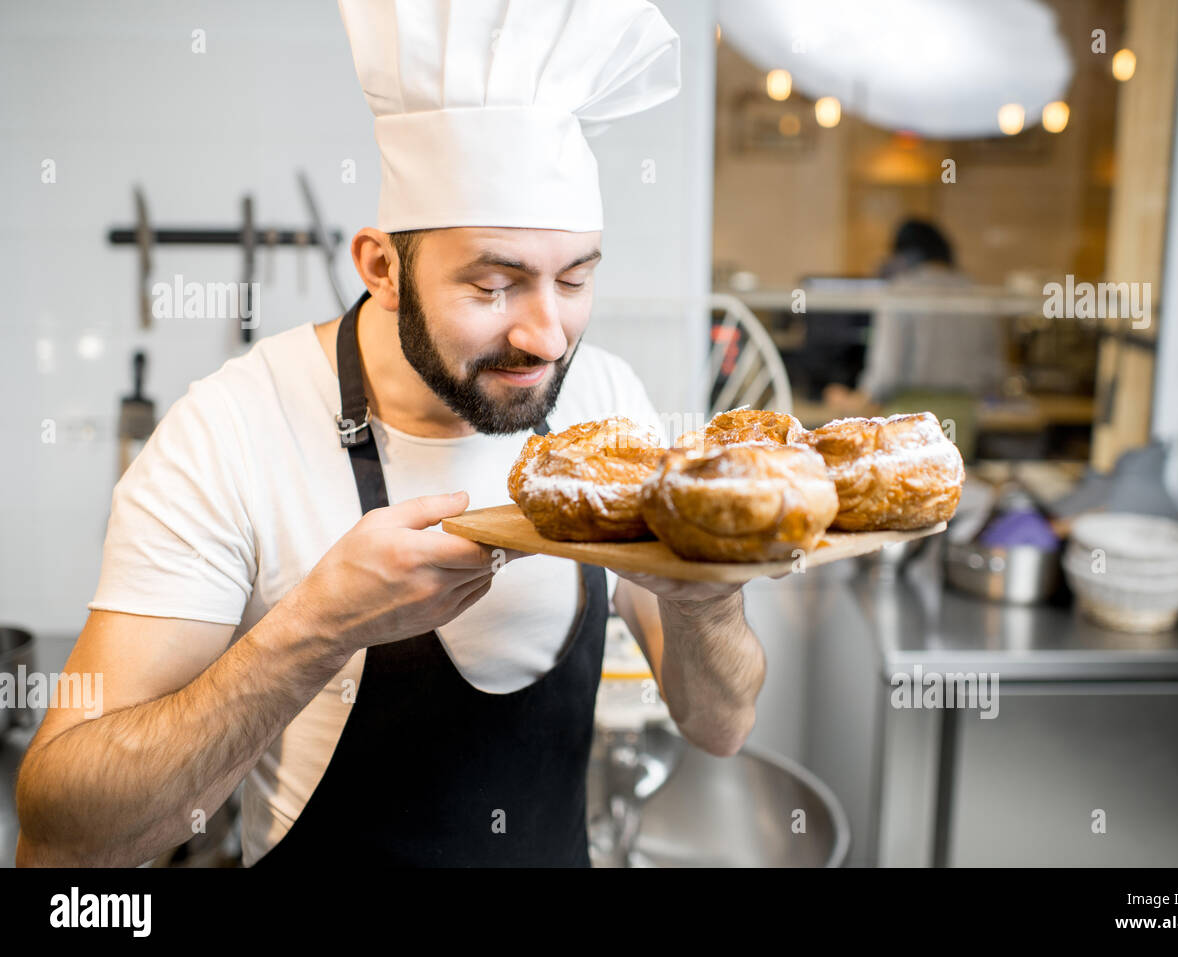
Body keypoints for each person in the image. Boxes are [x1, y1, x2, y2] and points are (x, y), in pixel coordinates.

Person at [16, 0, 768, 868]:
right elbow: (63, 840)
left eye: (575, 279)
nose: (548, 336)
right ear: (382, 267)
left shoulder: (607, 404)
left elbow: (722, 725)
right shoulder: (230, 430)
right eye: (495, 285)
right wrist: (313, 633)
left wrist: (706, 598)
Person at [823, 219, 1004, 460]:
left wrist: (853, 401)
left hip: (908, 419)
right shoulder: (976, 293)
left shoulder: (900, 292)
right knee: (951, 487)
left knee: (908, 488)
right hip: (962, 418)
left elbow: (886, 375)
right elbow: (994, 372)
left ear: (903, 255)